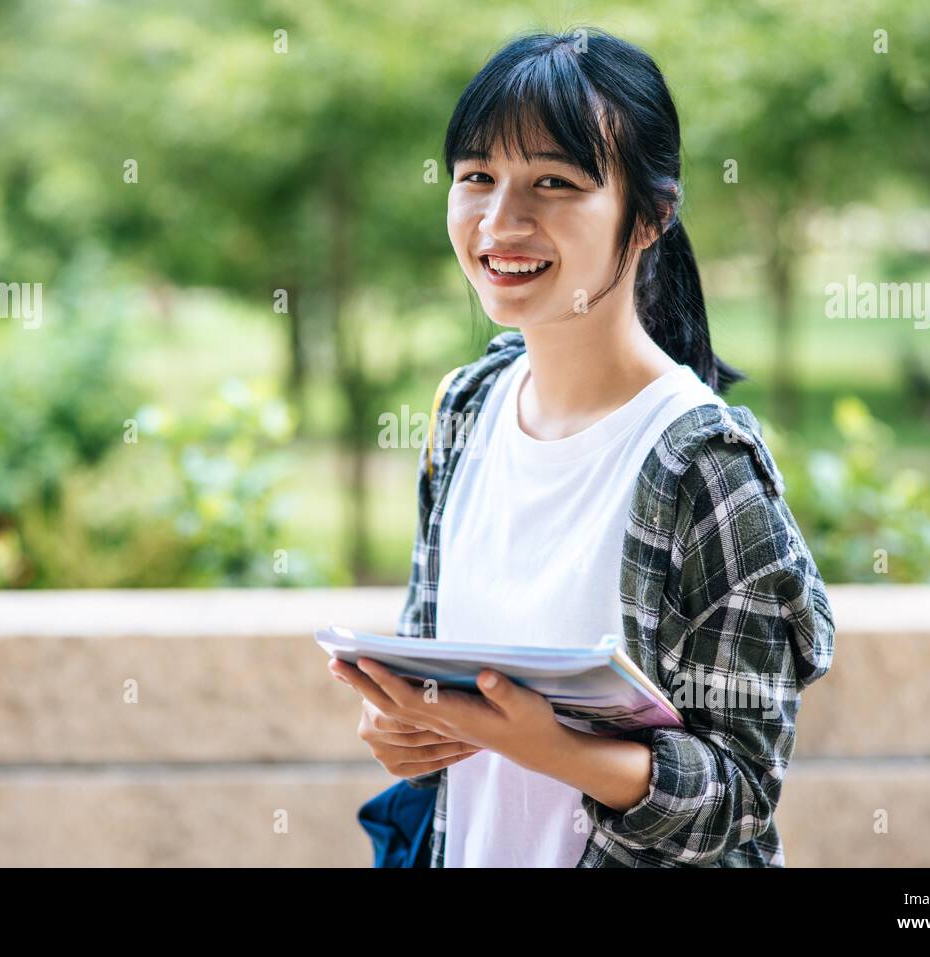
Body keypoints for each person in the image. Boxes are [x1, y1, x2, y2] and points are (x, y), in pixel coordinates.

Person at [329, 27, 835, 868]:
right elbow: (428, 668)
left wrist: (553, 747)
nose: (500, 222)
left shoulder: (702, 463)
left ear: (650, 216)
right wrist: (401, 727)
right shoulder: (466, 408)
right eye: (477, 178)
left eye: (554, 182)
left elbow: (743, 796)